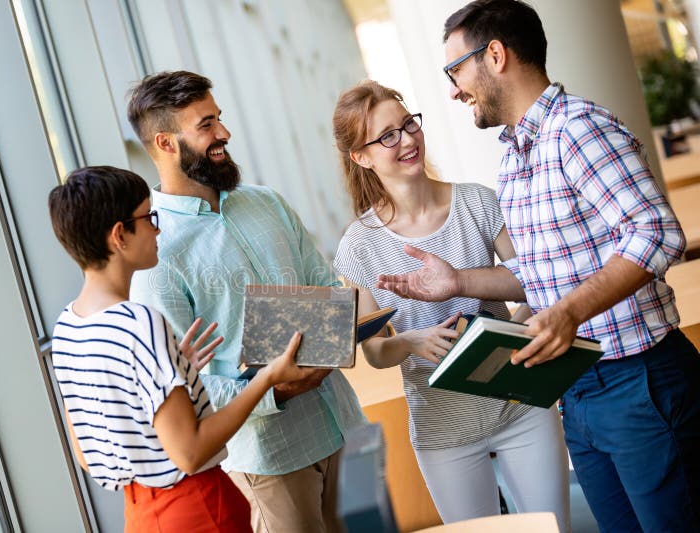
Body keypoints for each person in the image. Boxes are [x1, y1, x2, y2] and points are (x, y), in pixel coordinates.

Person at [378, 1, 700, 531]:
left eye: (455, 71)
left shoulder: (579, 129)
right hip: (579, 391)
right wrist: (458, 281)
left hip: (638, 383)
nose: (454, 90)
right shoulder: (515, 155)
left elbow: (657, 233)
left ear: (496, 55)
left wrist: (569, 311)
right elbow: (541, 272)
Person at [126, 71, 366, 533]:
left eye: (219, 118)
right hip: (273, 461)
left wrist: (338, 334)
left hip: (346, 426)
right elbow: (187, 390)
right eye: (206, 124)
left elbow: (325, 288)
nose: (224, 134)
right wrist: (274, 389)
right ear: (166, 143)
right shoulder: (159, 256)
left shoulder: (267, 203)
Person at [332, 80, 570, 530]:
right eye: (387, 135)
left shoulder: (477, 202)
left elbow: (535, 284)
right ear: (360, 157)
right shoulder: (357, 248)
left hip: (520, 404)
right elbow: (376, 352)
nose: (406, 140)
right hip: (443, 432)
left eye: (408, 125)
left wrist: (502, 332)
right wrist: (412, 341)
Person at [48, 166, 317, 532]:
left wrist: (172, 372)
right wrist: (266, 378)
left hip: (141, 515)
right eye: (148, 218)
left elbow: (87, 454)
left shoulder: (67, 329)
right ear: (119, 236)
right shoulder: (139, 323)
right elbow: (190, 453)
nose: (158, 229)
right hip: (198, 510)